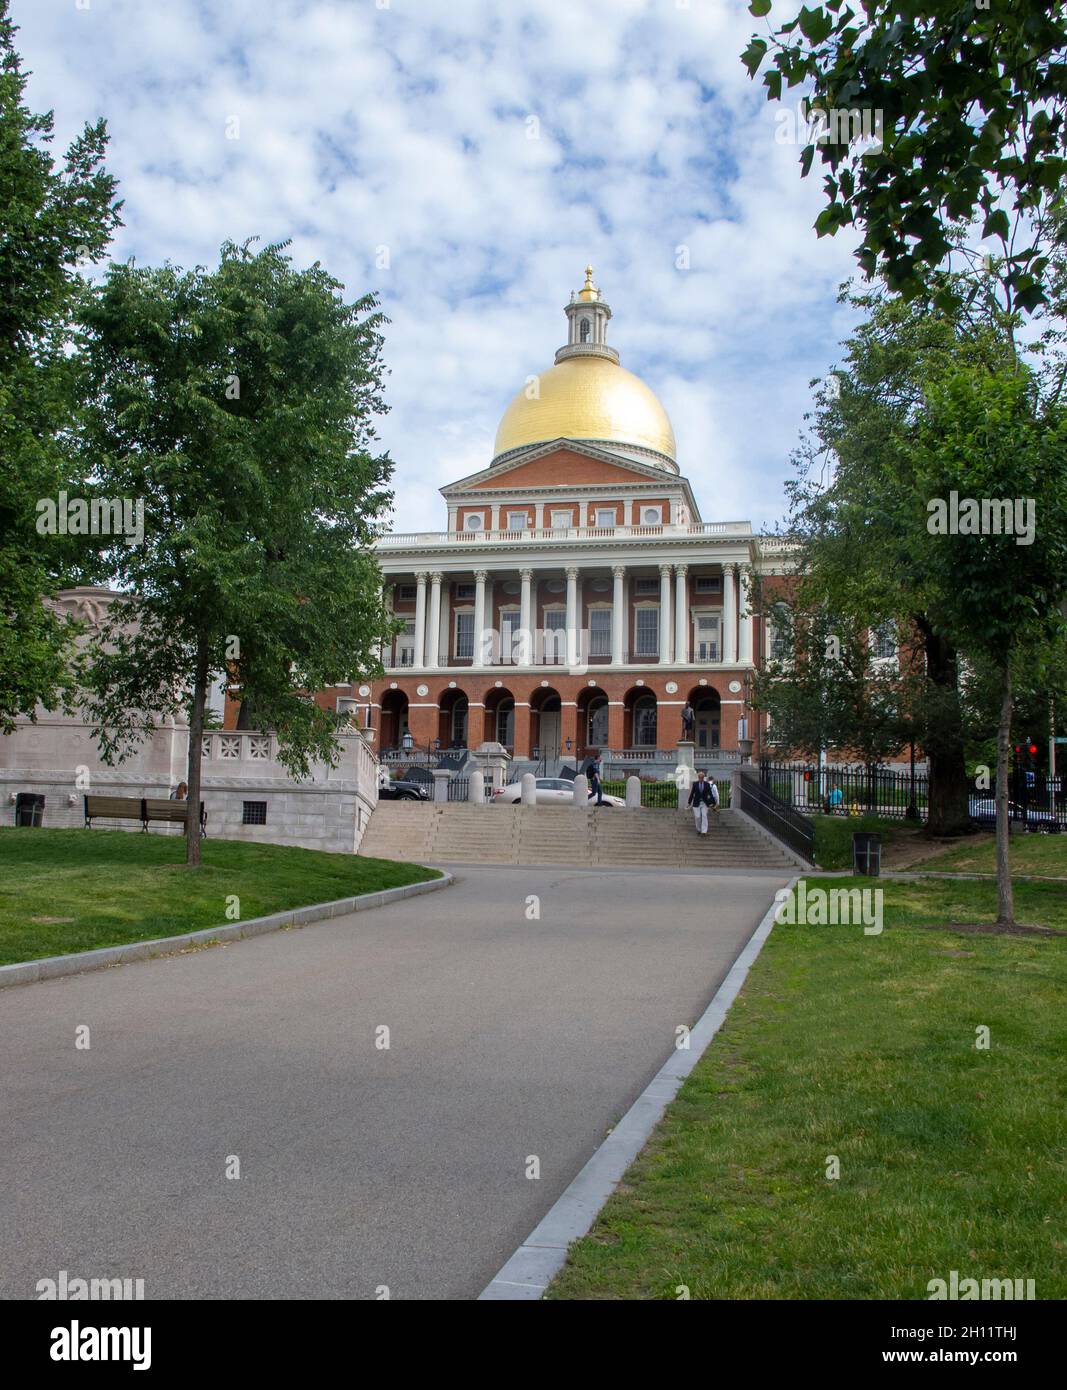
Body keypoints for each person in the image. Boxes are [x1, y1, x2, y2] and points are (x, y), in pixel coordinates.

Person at [688, 770, 717, 834]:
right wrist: (689, 802)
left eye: (702, 777)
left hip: (704, 803)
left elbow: (710, 794)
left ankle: (704, 831)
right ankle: (698, 829)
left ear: (703, 777)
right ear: (698, 777)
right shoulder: (695, 784)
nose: (701, 778)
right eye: (699, 777)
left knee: (704, 816)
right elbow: (692, 793)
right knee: (698, 817)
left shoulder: (707, 784)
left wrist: (714, 803)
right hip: (696, 803)